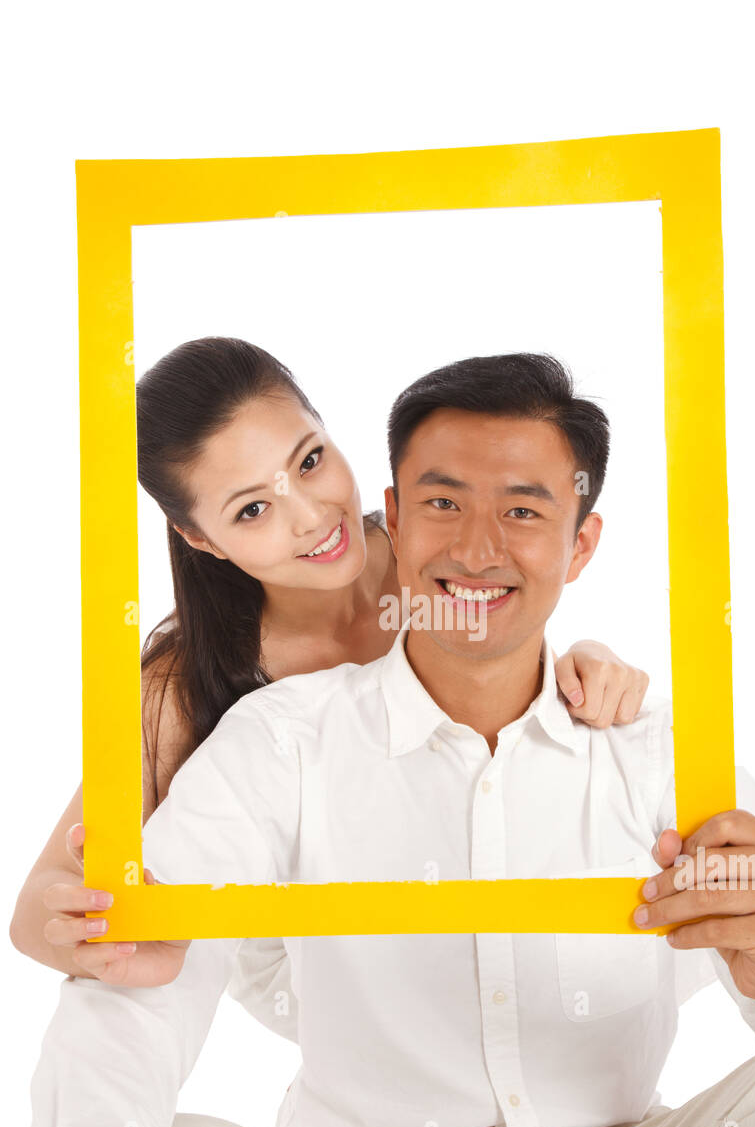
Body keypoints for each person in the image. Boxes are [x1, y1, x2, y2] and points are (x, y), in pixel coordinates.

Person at [28, 352, 755, 1127]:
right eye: (442, 504)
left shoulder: (641, 734)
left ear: (581, 544)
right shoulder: (243, 726)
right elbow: (122, 987)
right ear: (398, 512)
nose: (474, 548)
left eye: (521, 510)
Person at [9, 336, 648, 1005]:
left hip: (496, 919)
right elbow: (34, 910)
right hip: (333, 980)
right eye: (252, 509)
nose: (311, 517)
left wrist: (588, 660)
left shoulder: (430, 544)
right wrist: (88, 932)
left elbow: (516, 634)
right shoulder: (185, 683)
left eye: (310, 461)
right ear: (199, 538)